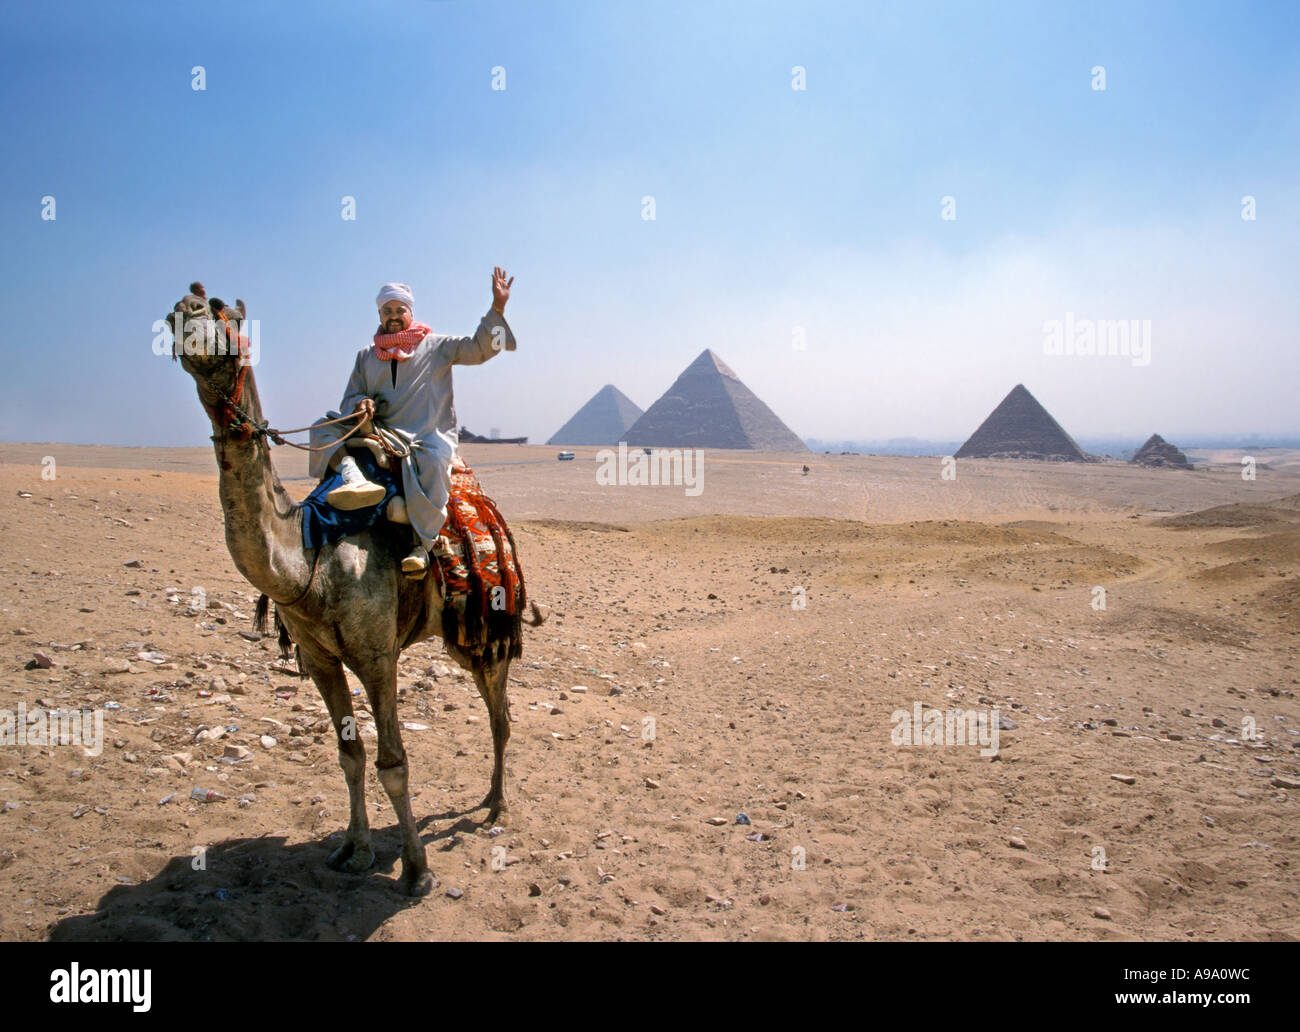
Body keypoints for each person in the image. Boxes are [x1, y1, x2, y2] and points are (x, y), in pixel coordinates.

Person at [311, 271, 516, 578]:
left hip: (425, 433)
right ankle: (351, 474)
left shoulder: (436, 346)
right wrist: (360, 404)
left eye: (399, 310)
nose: (393, 317)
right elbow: (352, 395)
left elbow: (480, 349)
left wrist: (497, 308)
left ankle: (423, 545)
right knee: (320, 427)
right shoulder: (366, 356)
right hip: (380, 431)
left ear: (410, 312)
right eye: (387, 311)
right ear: (379, 313)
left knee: (434, 462)